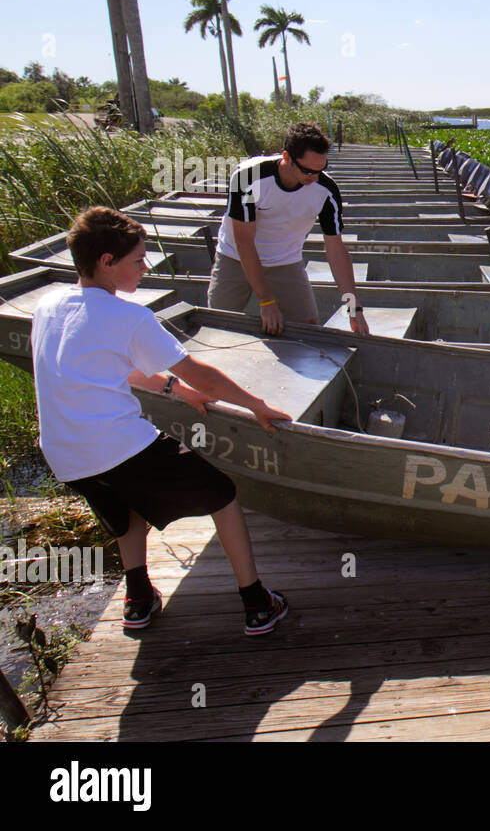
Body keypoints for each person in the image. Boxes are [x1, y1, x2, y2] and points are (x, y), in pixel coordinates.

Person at [32, 207, 294, 635]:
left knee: (124, 508)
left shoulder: (50, 305)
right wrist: (255, 404)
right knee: (224, 496)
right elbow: (202, 375)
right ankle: (257, 603)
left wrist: (173, 390)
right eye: (137, 259)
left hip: (65, 457)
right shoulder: (131, 317)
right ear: (107, 262)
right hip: (116, 447)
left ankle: (138, 601)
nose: (145, 266)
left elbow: (115, 367)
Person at [208, 121, 370, 337]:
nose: (314, 178)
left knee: (307, 328)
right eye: (307, 171)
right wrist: (266, 301)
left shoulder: (326, 191)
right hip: (235, 257)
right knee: (217, 326)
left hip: (285, 261)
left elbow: (336, 251)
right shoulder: (247, 178)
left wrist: (354, 308)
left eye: (320, 169)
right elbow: (244, 241)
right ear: (286, 157)